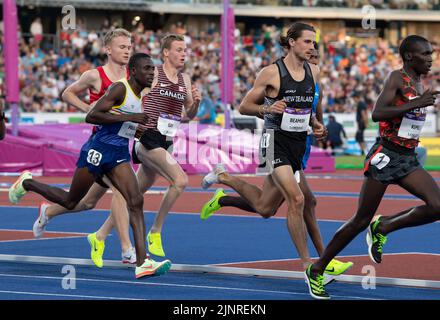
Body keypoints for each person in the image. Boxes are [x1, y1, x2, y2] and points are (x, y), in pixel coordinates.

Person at [200, 23, 352, 280]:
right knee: (298, 200)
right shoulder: (271, 73)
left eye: (314, 43)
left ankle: (223, 179)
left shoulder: (314, 72)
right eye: (307, 42)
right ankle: (310, 266)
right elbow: (244, 106)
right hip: (273, 142)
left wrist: (316, 125)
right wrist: (268, 109)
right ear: (291, 42)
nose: (312, 47)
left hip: (296, 144)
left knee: (265, 208)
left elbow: (309, 110)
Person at [9, 53, 172, 279]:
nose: (152, 73)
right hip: (97, 151)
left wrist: (136, 130)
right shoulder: (120, 89)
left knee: (135, 200)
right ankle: (28, 183)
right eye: (147, 69)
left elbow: (121, 124)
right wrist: (132, 117)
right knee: (71, 201)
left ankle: (143, 262)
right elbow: (93, 116)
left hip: (118, 153)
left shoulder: (139, 94)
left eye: (153, 69)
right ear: (133, 71)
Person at [305, 35, 440, 299]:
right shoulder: (397, 78)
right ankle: (317, 270)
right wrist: (417, 103)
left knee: (438, 206)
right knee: (360, 220)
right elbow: (377, 113)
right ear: (410, 56)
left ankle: (384, 227)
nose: (431, 58)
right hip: (386, 156)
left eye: (431, 53)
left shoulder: (418, 81)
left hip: (408, 157)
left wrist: (417, 101)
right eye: (425, 54)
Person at [34, 29, 136, 268]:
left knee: (86, 203)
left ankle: (48, 212)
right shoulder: (94, 75)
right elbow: (67, 93)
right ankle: (126, 249)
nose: (127, 51)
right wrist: (88, 111)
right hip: (100, 146)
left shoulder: (133, 76)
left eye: (129, 47)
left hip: (121, 145)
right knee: (122, 192)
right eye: (122, 47)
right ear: (108, 49)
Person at [132, 34, 201, 257]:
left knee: (132, 194)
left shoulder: (186, 80)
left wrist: (196, 103)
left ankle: (100, 235)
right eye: (179, 49)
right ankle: (155, 231)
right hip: (148, 137)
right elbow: (135, 97)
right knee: (180, 180)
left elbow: (189, 114)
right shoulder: (153, 74)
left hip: (166, 140)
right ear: (166, 53)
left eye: (185, 50)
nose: (183, 54)